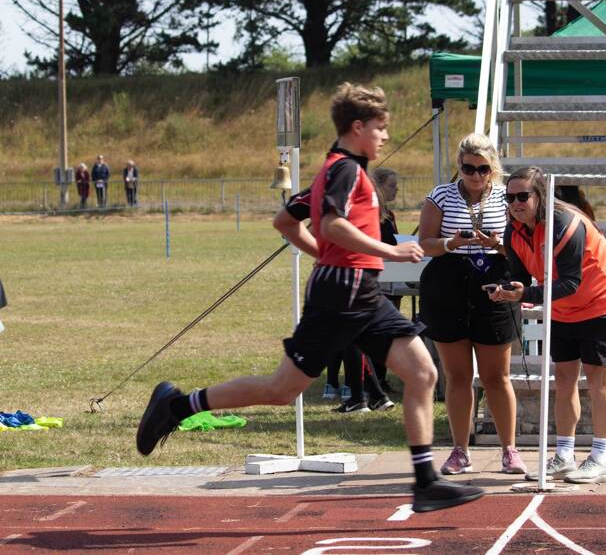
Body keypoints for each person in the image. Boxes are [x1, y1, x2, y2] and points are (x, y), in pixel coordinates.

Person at [137, 82, 483, 513]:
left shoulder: (336, 169)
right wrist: (385, 250)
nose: (385, 136)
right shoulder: (345, 171)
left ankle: (425, 480)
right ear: (358, 127)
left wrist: (330, 257)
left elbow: (286, 221)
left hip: (360, 290)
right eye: (381, 128)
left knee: (422, 373)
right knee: (283, 390)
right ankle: (177, 405)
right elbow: (331, 223)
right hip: (341, 294)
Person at [491, 166, 606, 484]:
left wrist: (525, 293)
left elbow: (569, 282)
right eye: (509, 197)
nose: (515, 203)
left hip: (600, 302)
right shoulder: (513, 231)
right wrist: (504, 288)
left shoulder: (565, 224)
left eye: (522, 196)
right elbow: (521, 277)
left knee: (597, 379)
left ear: (540, 196)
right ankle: (564, 455)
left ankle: (599, 458)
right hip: (562, 309)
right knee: (564, 379)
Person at [417, 133, 527, 477]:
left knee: (497, 376)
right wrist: (451, 242)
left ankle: (509, 449)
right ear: (459, 166)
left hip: (494, 279)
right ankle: (459, 450)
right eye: (468, 169)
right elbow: (426, 243)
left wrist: (496, 244)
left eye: (482, 169)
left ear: (492, 168)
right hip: (448, 282)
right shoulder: (441, 195)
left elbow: (522, 246)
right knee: (457, 376)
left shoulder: (507, 196)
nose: (476, 176)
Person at [275, 183, 393, 413]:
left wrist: (309, 239)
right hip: (356, 276)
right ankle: (374, 395)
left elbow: (318, 227)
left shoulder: (342, 187)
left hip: (345, 280)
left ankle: (361, 397)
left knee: (348, 339)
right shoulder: (357, 189)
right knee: (352, 339)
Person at [371, 166, 401, 392]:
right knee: (374, 333)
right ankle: (370, 382)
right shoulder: (369, 215)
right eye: (392, 185)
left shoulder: (389, 215)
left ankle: (381, 378)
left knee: (388, 334)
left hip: (393, 280)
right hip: (376, 280)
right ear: (378, 187)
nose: (396, 190)